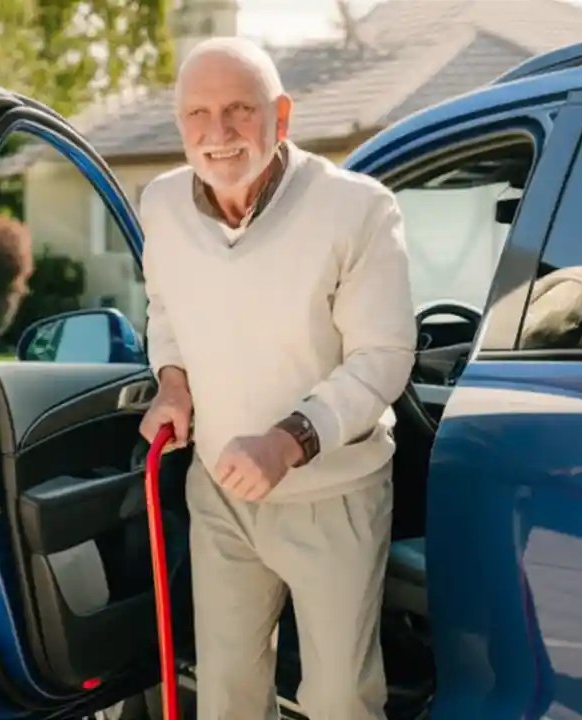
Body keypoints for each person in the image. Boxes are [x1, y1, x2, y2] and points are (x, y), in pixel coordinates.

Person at [135, 37, 416, 720]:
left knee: (340, 700)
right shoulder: (162, 205)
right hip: (219, 491)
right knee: (227, 695)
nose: (218, 133)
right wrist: (173, 384)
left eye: (240, 109)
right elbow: (166, 307)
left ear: (281, 117)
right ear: (179, 124)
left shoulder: (359, 209)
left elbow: (383, 357)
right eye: (198, 114)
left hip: (335, 494)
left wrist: (286, 442)